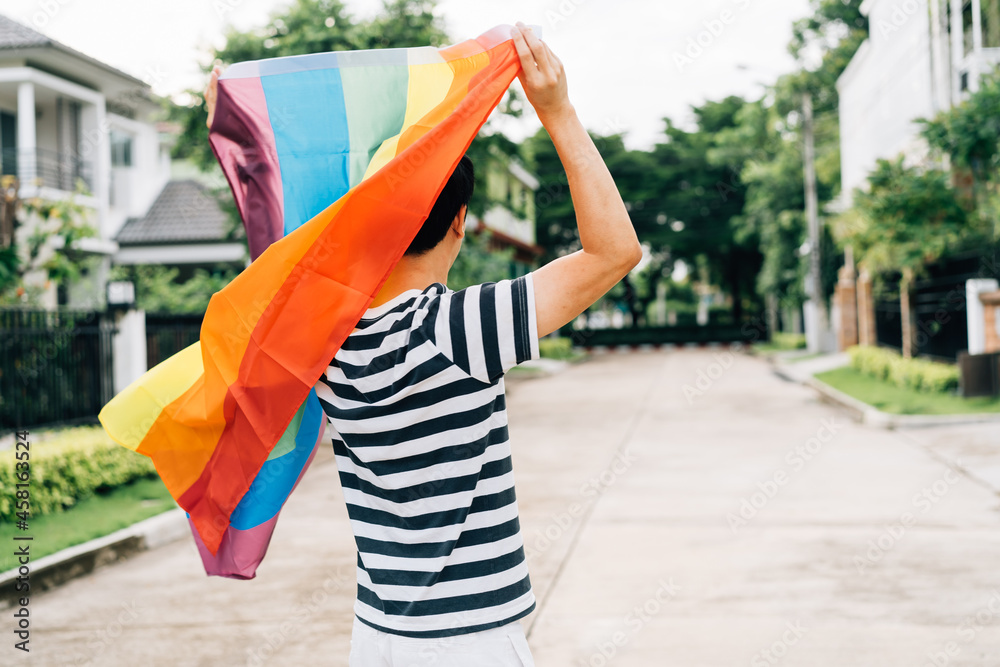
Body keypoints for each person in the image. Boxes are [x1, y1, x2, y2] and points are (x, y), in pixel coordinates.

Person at [206, 22, 641, 666]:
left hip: (377, 638)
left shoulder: (323, 342)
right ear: (460, 221)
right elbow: (615, 252)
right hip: (470, 643)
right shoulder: (462, 329)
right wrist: (558, 110)